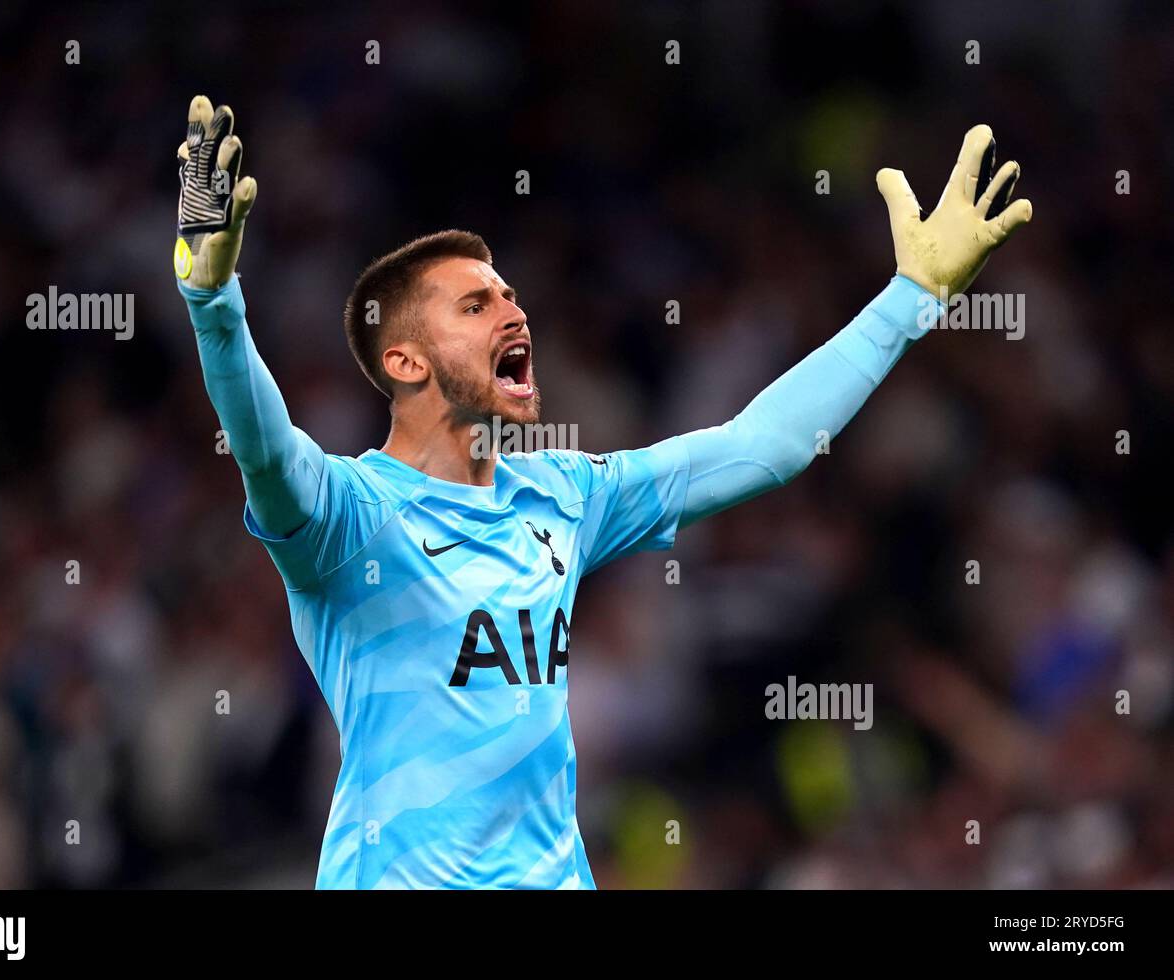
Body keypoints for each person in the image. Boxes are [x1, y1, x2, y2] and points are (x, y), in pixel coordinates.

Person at [171, 95, 1031, 889]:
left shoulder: (564, 495)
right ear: (405, 361)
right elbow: (268, 455)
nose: (514, 314)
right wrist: (214, 304)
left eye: (510, 296)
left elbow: (761, 448)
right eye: (476, 307)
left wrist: (910, 299)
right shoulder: (352, 517)